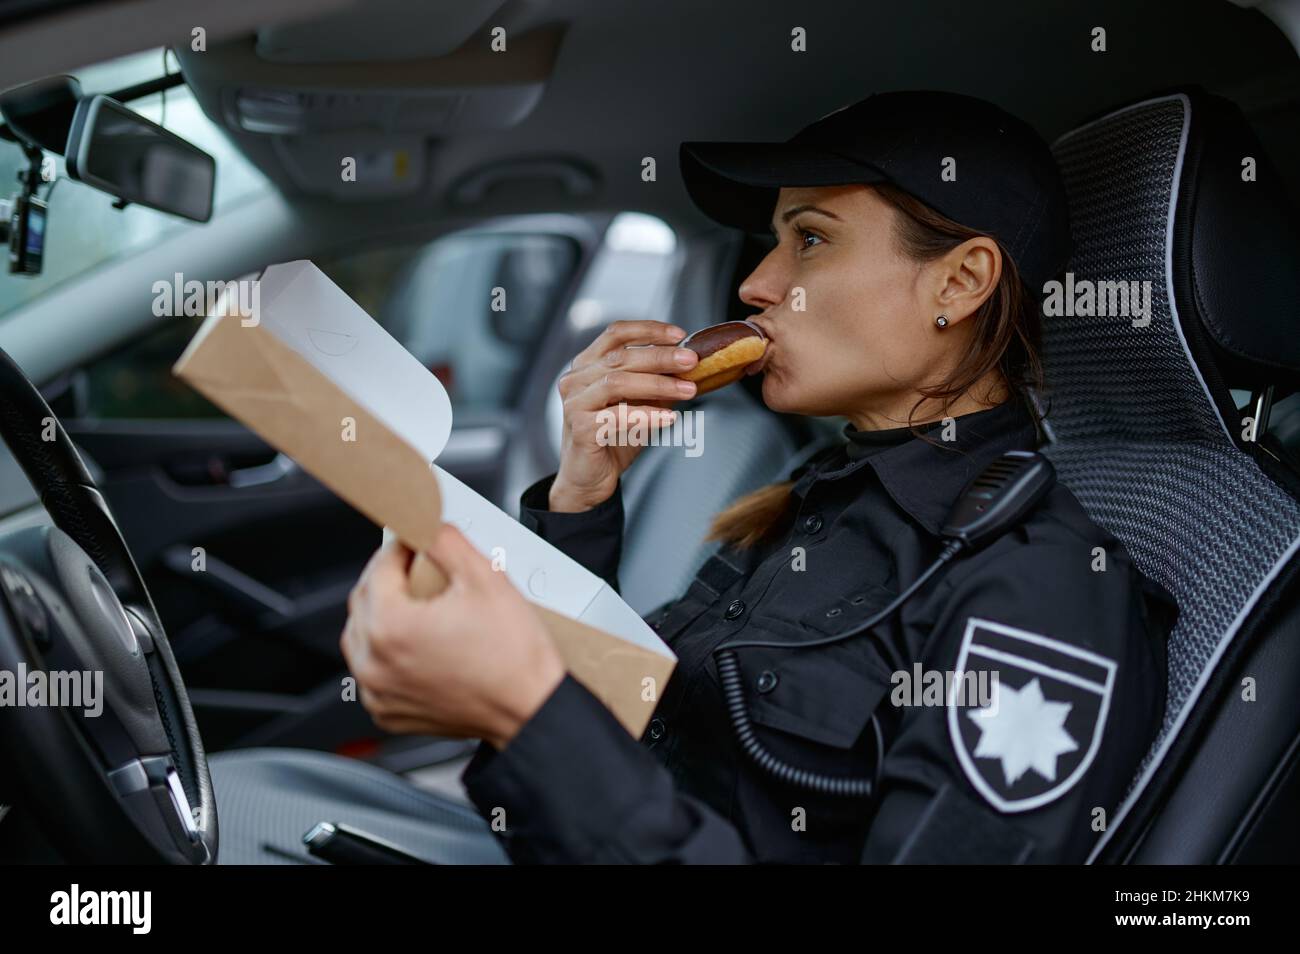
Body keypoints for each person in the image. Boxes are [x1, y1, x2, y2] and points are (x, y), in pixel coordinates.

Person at [209, 90, 1177, 865]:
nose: (754, 284)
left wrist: (522, 711)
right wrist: (583, 491)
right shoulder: (821, 496)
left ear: (958, 284)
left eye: (809, 238)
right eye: (772, 240)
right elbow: (645, 717)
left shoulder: (1041, 593)